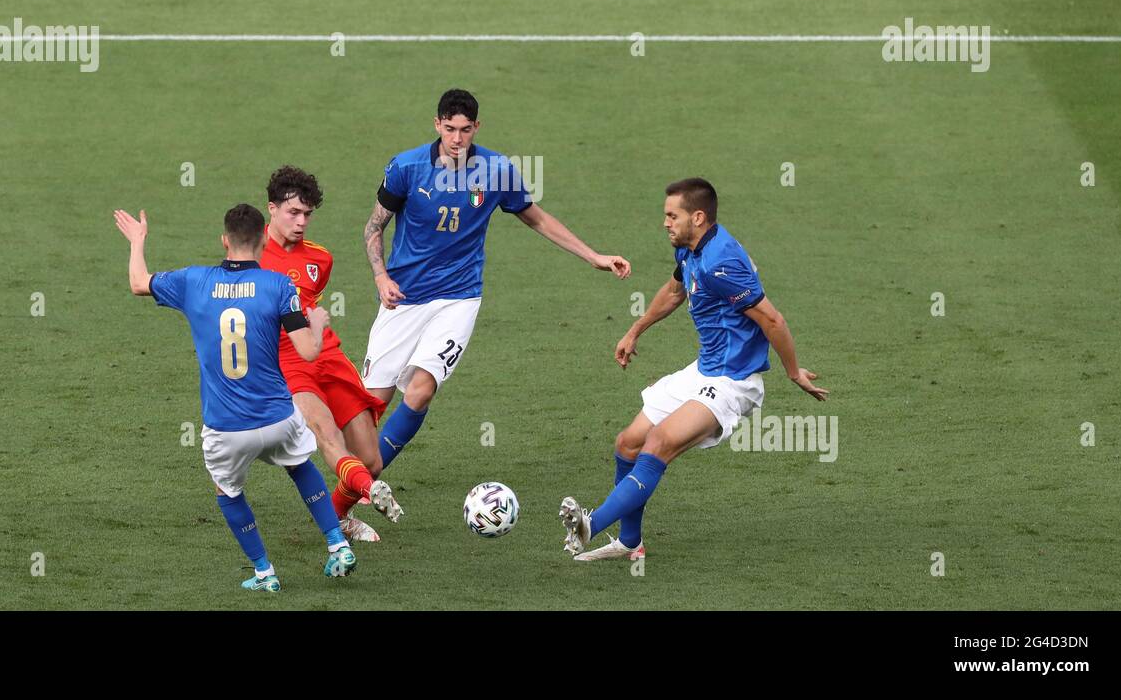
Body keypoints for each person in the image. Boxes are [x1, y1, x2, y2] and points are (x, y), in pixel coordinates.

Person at [361, 88, 631, 471]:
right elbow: (374, 227)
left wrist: (593, 257)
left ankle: (362, 485)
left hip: (459, 297)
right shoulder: (406, 168)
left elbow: (535, 216)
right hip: (404, 295)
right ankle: (355, 480)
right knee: (369, 406)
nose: (457, 139)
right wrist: (380, 276)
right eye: (450, 129)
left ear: (477, 127)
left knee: (421, 391)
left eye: (466, 130)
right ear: (437, 124)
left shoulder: (496, 170)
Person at [558, 177, 827, 560]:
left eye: (673, 215)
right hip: (703, 371)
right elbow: (673, 292)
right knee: (629, 442)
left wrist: (793, 372)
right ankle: (630, 542)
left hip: (734, 381)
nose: (665, 222)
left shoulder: (722, 262)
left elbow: (772, 320)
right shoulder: (690, 250)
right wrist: (635, 330)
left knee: (659, 443)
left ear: (697, 217)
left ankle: (590, 525)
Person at [114, 203, 356, 591]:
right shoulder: (279, 285)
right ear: (263, 239)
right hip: (278, 417)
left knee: (226, 489)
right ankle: (337, 543)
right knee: (300, 464)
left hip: (227, 428)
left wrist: (138, 241)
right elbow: (309, 352)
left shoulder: (193, 281)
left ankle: (265, 572)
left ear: (224, 241)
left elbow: (138, 283)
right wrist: (316, 322)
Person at [259, 165, 400, 543]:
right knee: (326, 432)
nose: (302, 221)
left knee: (371, 460)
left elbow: (311, 309)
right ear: (271, 209)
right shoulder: (250, 254)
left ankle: (338, 516)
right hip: (287, 364)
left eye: (307, 214)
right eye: (293, 212)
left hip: (328, 357)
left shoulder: (320, 260)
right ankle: (367, 493)